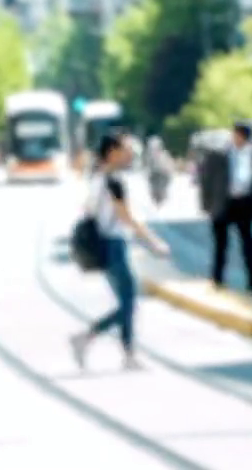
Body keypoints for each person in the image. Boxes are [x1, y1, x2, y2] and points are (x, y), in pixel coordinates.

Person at [70, 134, 169, 370]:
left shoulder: (97, 178)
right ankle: (87, 337)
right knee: (128, 304)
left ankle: (128, 355)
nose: (130, 153)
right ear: (112, 152)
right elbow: (126, 217)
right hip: (114, 245)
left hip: (103, 244)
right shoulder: (114, 181)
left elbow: (89, 210)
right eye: (125, 149)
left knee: (127, 301)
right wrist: (154, 242)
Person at [209, 122, 252, 294]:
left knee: (248, 243)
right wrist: (208, 204)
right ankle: (217, 278)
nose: (237, 138)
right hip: (224, 201)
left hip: (245, 201)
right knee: (220, 244)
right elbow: (209, 179)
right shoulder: (220, 153)